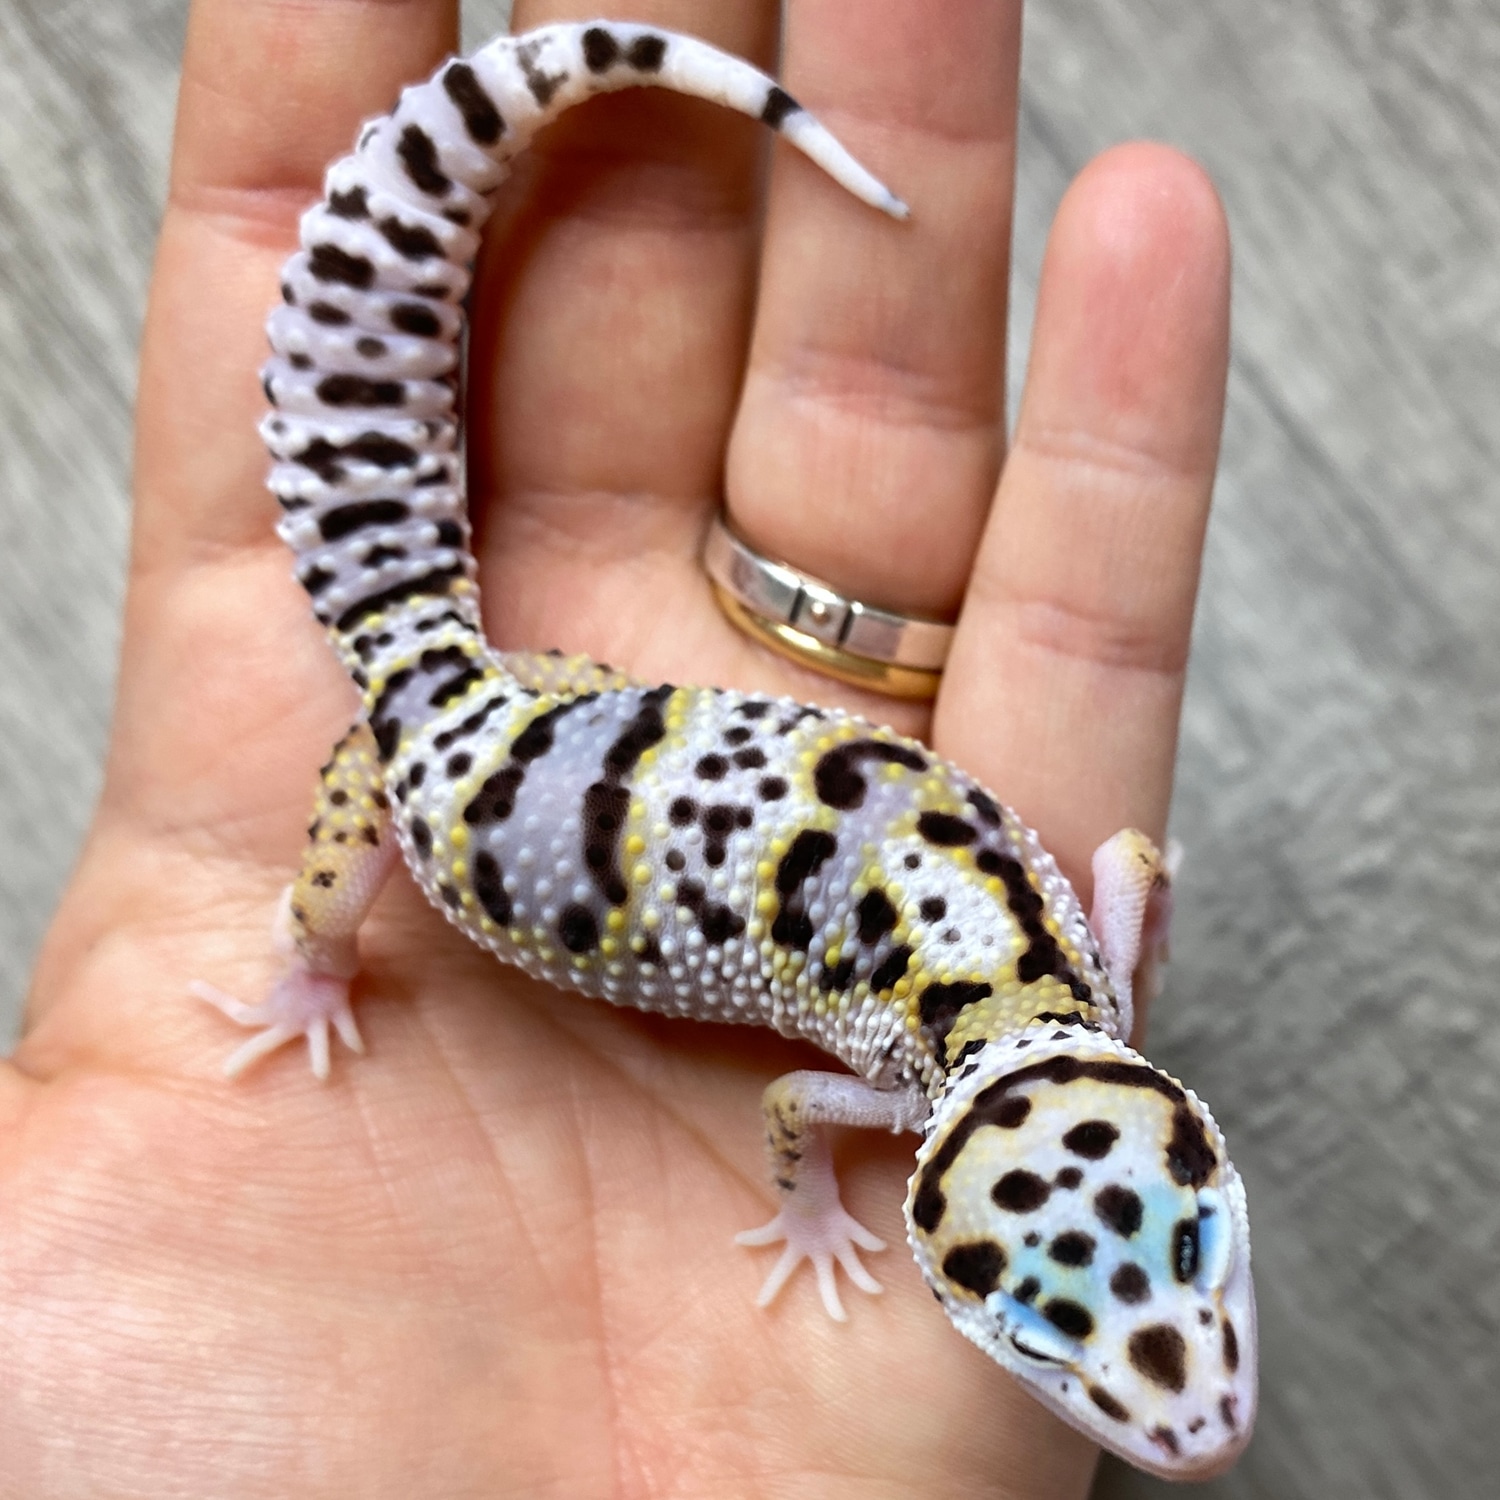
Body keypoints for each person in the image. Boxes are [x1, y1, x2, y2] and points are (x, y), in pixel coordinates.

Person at [2, 1, 1230, 1493]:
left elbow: (1129, 863)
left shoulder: (1073, 974)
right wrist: (312, 963)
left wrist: (1128, 959)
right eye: (1196, 1275)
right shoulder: (928, 1084)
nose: (1205, 1419)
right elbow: (794, 1108)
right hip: (427, 775)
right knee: (330, 907)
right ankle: (311, 950)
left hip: (540, 722)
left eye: (1060, 1342)